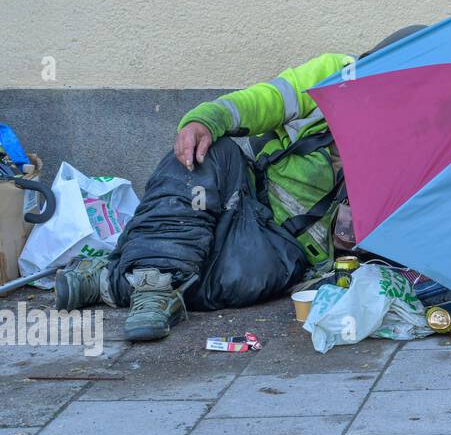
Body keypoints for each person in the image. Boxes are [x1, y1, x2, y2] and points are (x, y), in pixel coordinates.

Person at [54, 27, 423, 342]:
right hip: (242, 189)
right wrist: (205, 120)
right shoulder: (334, 71)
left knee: (245, 280)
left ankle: (116, 282)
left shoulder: (424, 146)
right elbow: (266, 99)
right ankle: (149, 283)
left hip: (284, 244)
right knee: (197, 161)